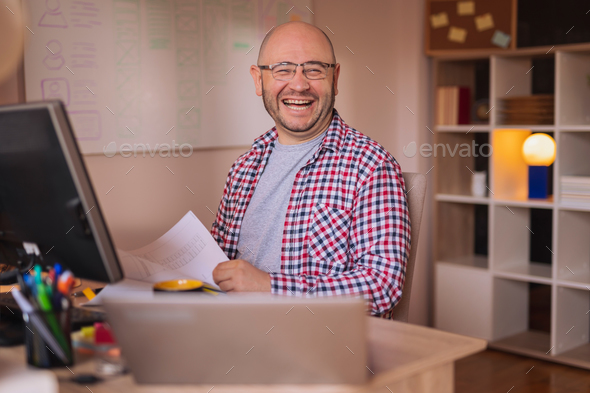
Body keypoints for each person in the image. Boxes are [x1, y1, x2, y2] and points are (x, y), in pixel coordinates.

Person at [211, 21, 410, 318]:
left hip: (319, 342)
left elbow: (381, 285)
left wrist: (269, 287)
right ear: (258, 80)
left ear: (335, 77)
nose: (299, 84)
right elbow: (217, 262)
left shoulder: (371, 167)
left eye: (314, 69)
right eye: (282, 69)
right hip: (235, 329)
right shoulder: (243, 168)